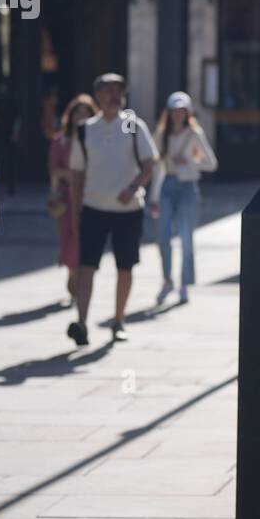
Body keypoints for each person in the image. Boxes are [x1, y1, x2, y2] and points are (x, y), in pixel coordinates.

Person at [67, 73, 157, 345]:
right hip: (94, 207)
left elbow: (150, 164)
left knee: (125, 267)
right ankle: (81, 323)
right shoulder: (85, 130)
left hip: (128, 211)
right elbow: (76, 175)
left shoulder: (132, 125)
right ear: (97, 96)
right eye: (107, 90)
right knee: (86, 267)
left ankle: (118, 320)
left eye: (118, 90)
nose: (114, 96)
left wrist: (132, 188)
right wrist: (75, 211)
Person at [149, 91, 218, 305]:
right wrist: (153, 197)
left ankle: (184, 284)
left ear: (187, 112)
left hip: (188, 188)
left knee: (186, 238)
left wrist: (188, 161)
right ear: (168, 113)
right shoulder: (161, 135)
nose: (178, 114)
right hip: (167, 186)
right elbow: (156, 166)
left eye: (181, 111)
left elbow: (211, 164)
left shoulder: (195, 134)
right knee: (162, 237)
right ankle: (167, 280)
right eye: (174, 111)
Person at [47, 93, 99, 303]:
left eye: (86, 113)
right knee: (66, 235)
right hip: (66, 196)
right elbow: (54, 169)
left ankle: (77, 275)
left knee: (82, 236)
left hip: (89, 195)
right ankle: (71, 270)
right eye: (78, 112)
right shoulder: (61, 140)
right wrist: (71, 176)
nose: (82, 116)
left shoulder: (96, 138)